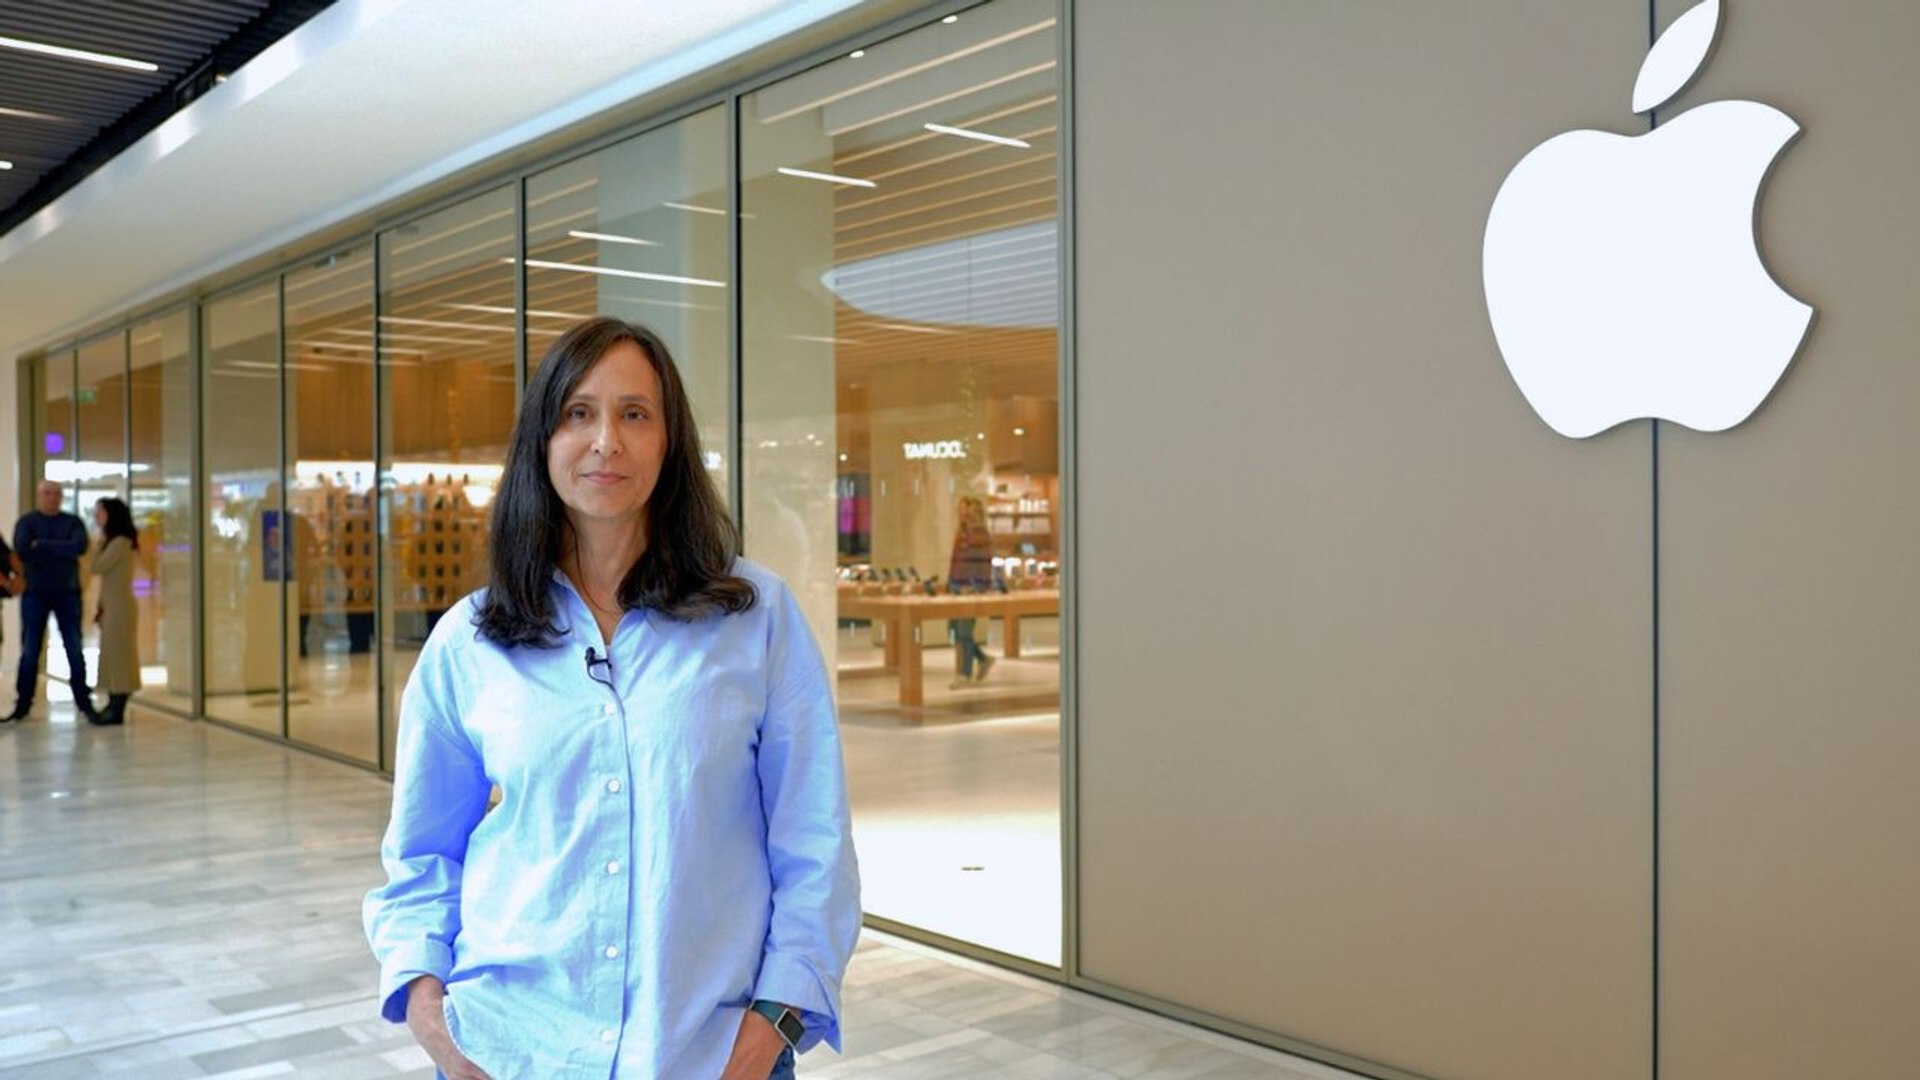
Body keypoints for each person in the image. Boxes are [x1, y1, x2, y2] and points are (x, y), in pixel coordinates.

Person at [364, 317, 860, 1080]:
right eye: (578, 414)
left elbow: (813, 841)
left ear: (669, 441)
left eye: (635, 414)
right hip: (508, 1048)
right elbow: (424, 853)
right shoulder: (471, 639)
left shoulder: (756, 615)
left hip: (709, 1055)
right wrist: (435, 1022)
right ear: (543, 441)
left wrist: (770, 1032)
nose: (607, 442)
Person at [8, 481, 95, 723]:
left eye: (57, 494)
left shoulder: (73, 522)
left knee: (75, 648)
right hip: (35, 593)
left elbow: (79, 546)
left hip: (68, 593)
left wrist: (42, 544)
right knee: (30, 650)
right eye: (47, 493)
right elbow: (23, 550)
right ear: (38, 496)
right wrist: (60, 549)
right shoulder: (27, 523)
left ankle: (84, 702)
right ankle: (22, 704)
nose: (53, 498)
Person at [89, 497, 142, 726]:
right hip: (112, 606)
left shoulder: (119, 542)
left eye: (100, 512)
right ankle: (112, 703)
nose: (96, 517)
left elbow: (96, 566)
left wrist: (98, 543)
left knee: (120, 657)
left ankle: (117, 706)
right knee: (112, 655)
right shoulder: (114, 541)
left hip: (120, 607)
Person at [946, 494, 996, 689]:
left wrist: (977, 586)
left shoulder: (980, 535)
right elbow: (954, 561)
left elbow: (983, 564)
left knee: (964, 632)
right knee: (953, 631)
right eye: (961, 509)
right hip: (957, 586)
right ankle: (983, 658)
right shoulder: (961, 534)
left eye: (967, 510)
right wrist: (949, 583)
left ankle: (964, 674)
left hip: (971, 588)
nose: (963, 514)